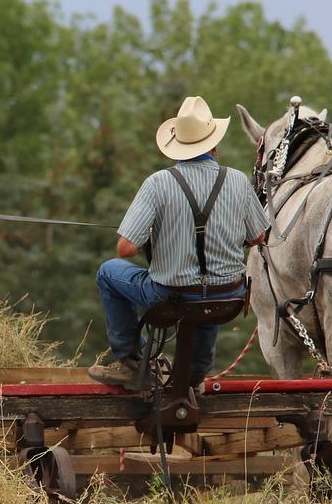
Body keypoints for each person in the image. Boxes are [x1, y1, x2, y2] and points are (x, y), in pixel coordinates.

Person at [89, 96, 270, 390]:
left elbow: (125, 249)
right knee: (209, 295)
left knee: (109, 272)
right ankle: (195, 374)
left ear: (178, 146)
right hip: (228, 298)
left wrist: (156, 234)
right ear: (214, 145)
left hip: (170, 296)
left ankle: (132, 361)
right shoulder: (237, 180)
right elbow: (259, 237)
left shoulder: (158, 182)